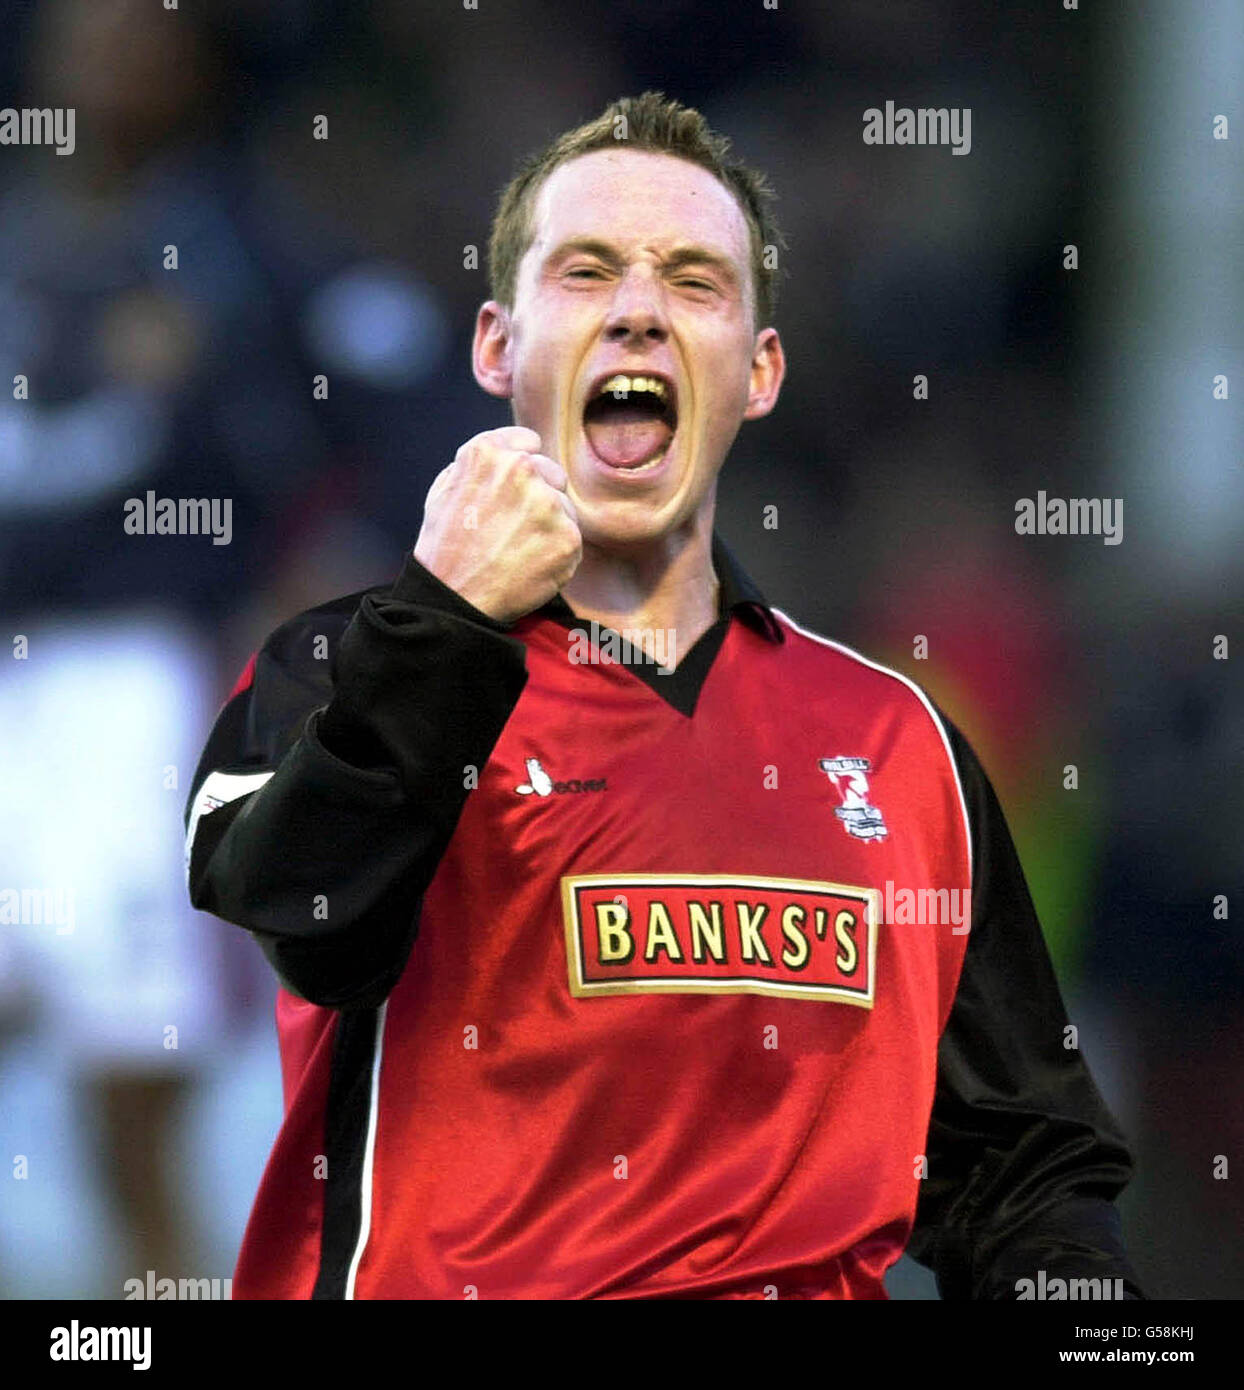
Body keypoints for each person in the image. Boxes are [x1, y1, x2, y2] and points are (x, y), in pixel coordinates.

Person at [185, 92, 1143, 1300]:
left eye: (694, 282)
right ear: (497, 347)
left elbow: (1022, 1169)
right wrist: (442, 621)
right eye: (585, 273)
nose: (638, 311)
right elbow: (303, 916)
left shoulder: (901, 747)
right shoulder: (333, 668)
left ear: (758, 370)